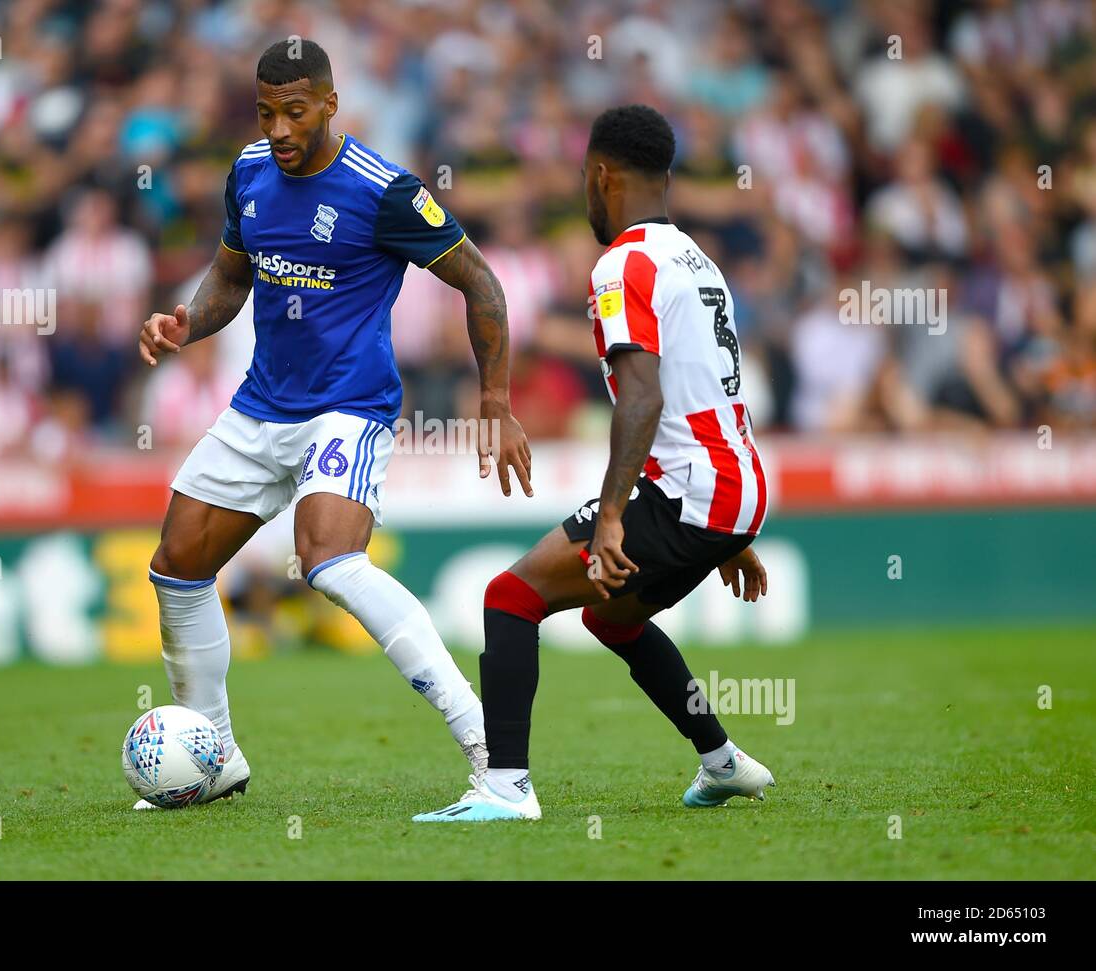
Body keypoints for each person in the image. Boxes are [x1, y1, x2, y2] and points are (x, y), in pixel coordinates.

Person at [135, 39, 531, 809]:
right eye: (265, 112)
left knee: (328, 560)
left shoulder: (382, 190)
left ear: (328, 103)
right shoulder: (249, 172)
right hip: (261, 404)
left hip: (349, 407)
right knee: (177, 564)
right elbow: (229, 275)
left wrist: (496, 400)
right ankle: (214, 757)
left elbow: (479, 279)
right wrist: (188, 323)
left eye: (293, 111)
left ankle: (491, 752)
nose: (278, 129)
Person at [415, 105, 775, 822]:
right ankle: (724, 762)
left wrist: (612, 514)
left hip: (692, 490)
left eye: (585, 180)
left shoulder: (624, 264)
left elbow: (640, 394)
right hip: (735, 484)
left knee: (509, 597)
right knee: (613, 620)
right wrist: (730, 527)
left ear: (601, 176)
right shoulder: (698, 262)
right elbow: (711, 386)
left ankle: (505, 786)